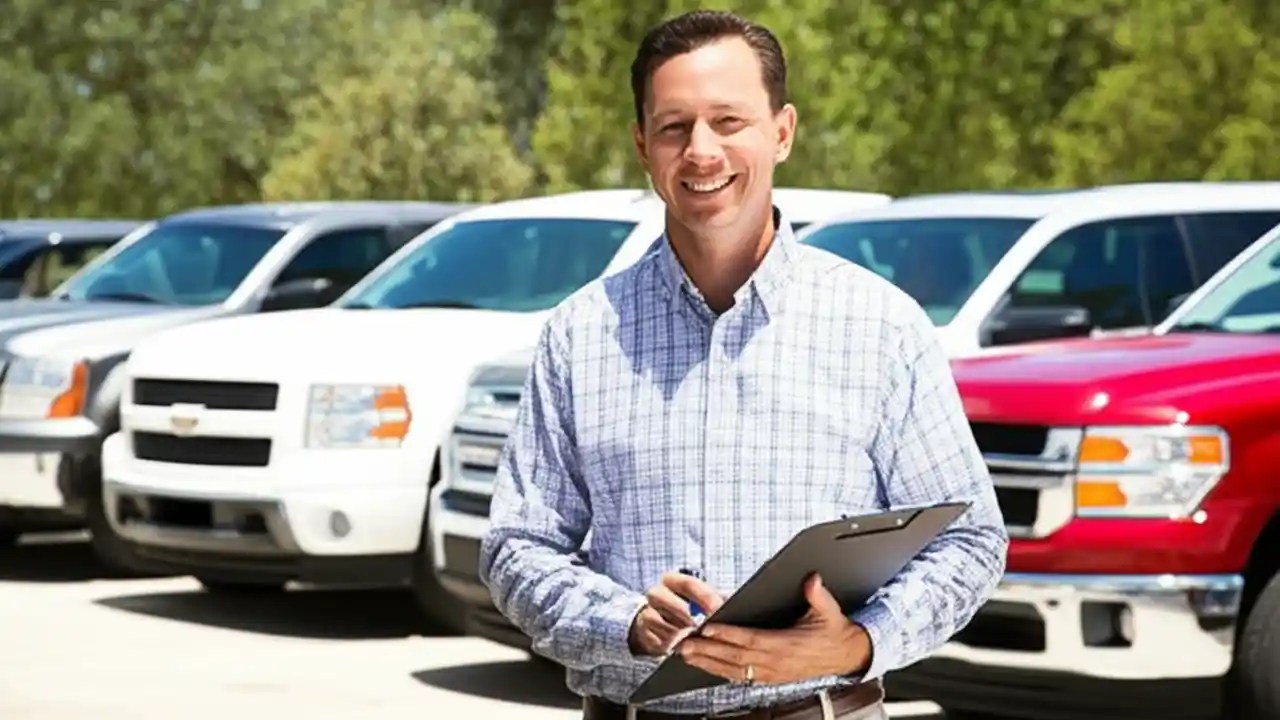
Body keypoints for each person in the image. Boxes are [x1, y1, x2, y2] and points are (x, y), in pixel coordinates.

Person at [479, 9, 1008, 720]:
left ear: (782, 132)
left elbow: (970, 542)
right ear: (643, 144)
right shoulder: (580, 335)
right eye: (674, 127)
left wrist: (856, 643)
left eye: (729, 121)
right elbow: (517, 548)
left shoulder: (881, 327)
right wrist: (627, 621)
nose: (701, 151)